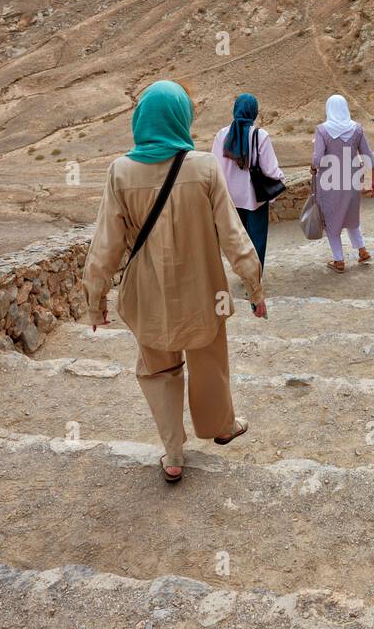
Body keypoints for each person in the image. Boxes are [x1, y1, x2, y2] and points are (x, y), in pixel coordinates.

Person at [83, 80, 266, 484]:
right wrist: (254, 286)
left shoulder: (121, 172)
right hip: (208, 294)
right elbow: (234, 235)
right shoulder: (203, 167)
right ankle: (221, 426)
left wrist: (95, 302)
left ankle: (173, 453)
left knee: (157, 370)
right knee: (210, 362)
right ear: (180, 117)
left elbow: (105, 247)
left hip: (148, 295)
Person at [212, 92, 285, 275]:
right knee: (256, 240)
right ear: (254, 112)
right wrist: (281, 181)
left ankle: (243, 273)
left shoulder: (222, 135)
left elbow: (215, 167)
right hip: (254, 198)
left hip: (230, 199)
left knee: (238, 240)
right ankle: (253, 280)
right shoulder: (260, 136)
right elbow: (270, 170)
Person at [312, 94, 374, 272]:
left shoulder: (322, 130)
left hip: (330, 182)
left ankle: (339, 261)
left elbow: (317, 159)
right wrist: (371, 178)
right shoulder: (357, 129)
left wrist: (315, 164)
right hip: (353, 180)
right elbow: (367, 155)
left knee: (332, 219)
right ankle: (362, 251)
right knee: (351, 215)